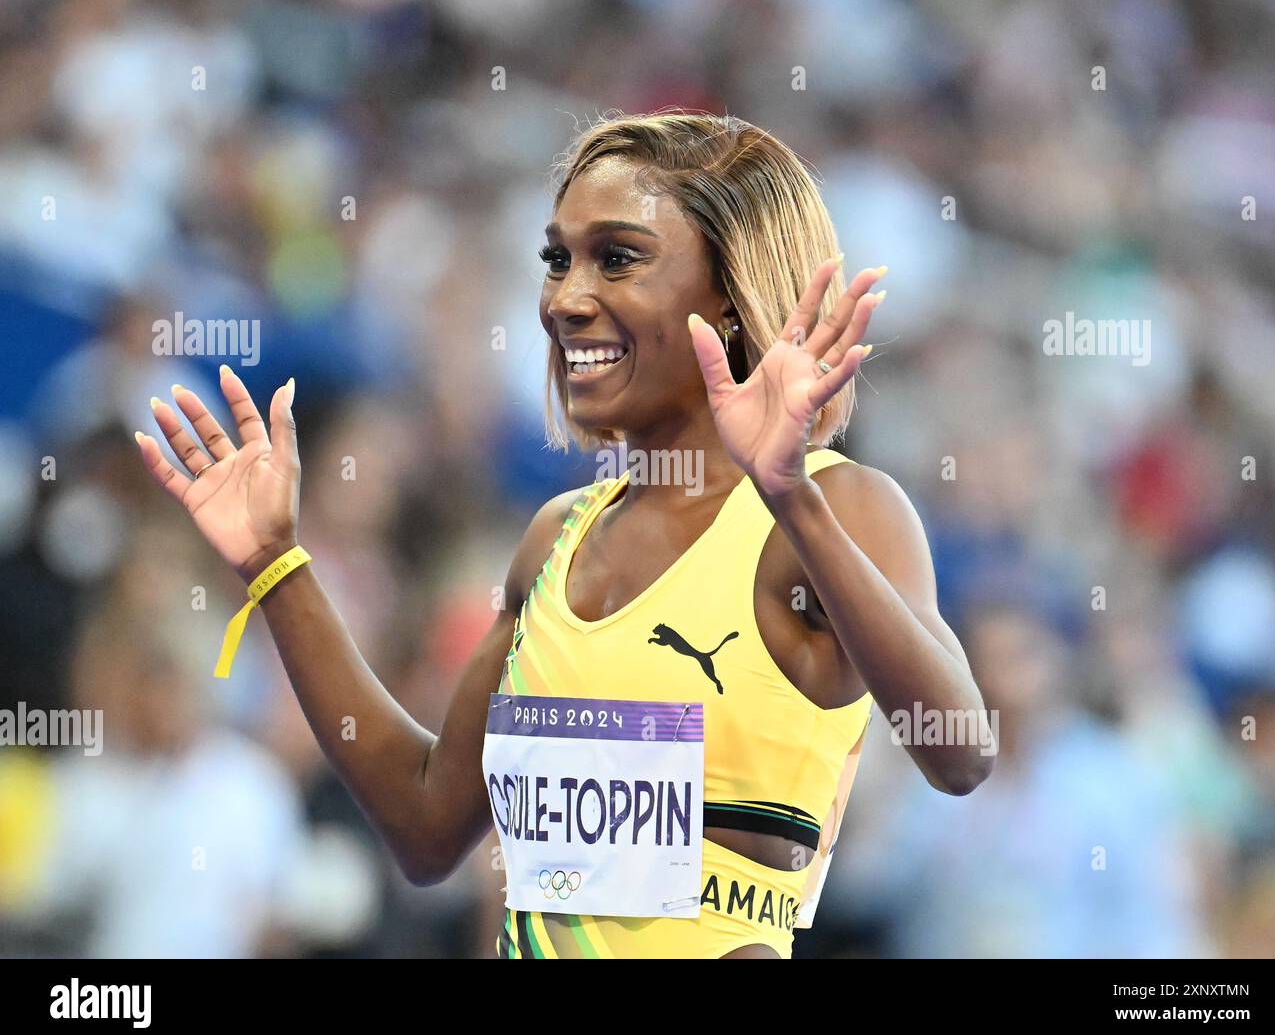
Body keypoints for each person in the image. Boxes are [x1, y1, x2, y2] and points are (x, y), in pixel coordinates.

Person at [135, 111, 992, 959]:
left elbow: (959, 750)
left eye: (616, 258)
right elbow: (429, 824)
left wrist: (788, 494)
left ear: (729, 299)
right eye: (558, 259)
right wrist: (276, 565)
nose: (564, 300)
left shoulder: (835, 510)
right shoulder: (556, 540)